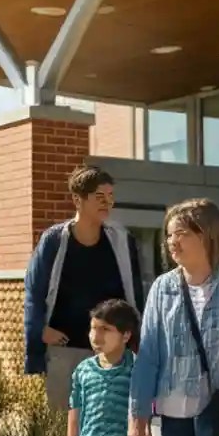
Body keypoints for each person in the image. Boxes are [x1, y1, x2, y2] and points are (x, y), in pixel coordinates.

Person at [128, 199, 219, 436]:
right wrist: (137, 420)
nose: (172, 242)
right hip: (175, 416)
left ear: (208, 235)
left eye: (182, 234)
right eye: (169, 235)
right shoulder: (162, 288)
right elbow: (148, 357)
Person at [25, 165, 144, 411]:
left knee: (108, 423)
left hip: (112, 351)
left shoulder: (122, 240)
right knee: (64, 425)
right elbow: (34, 291)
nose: (107, 203)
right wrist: (40, 330)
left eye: (111, 196)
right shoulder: (54, 240)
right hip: (65, 351)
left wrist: (137, 338)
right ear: (77, 200)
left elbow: (134, 292)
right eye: (100, 197)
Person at [68, 298, 141, 436]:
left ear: (126, 335)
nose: (96, 337)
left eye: (105, 329)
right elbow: (74, 417)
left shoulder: (136, 369)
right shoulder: (83, 370)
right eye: (93, 328)